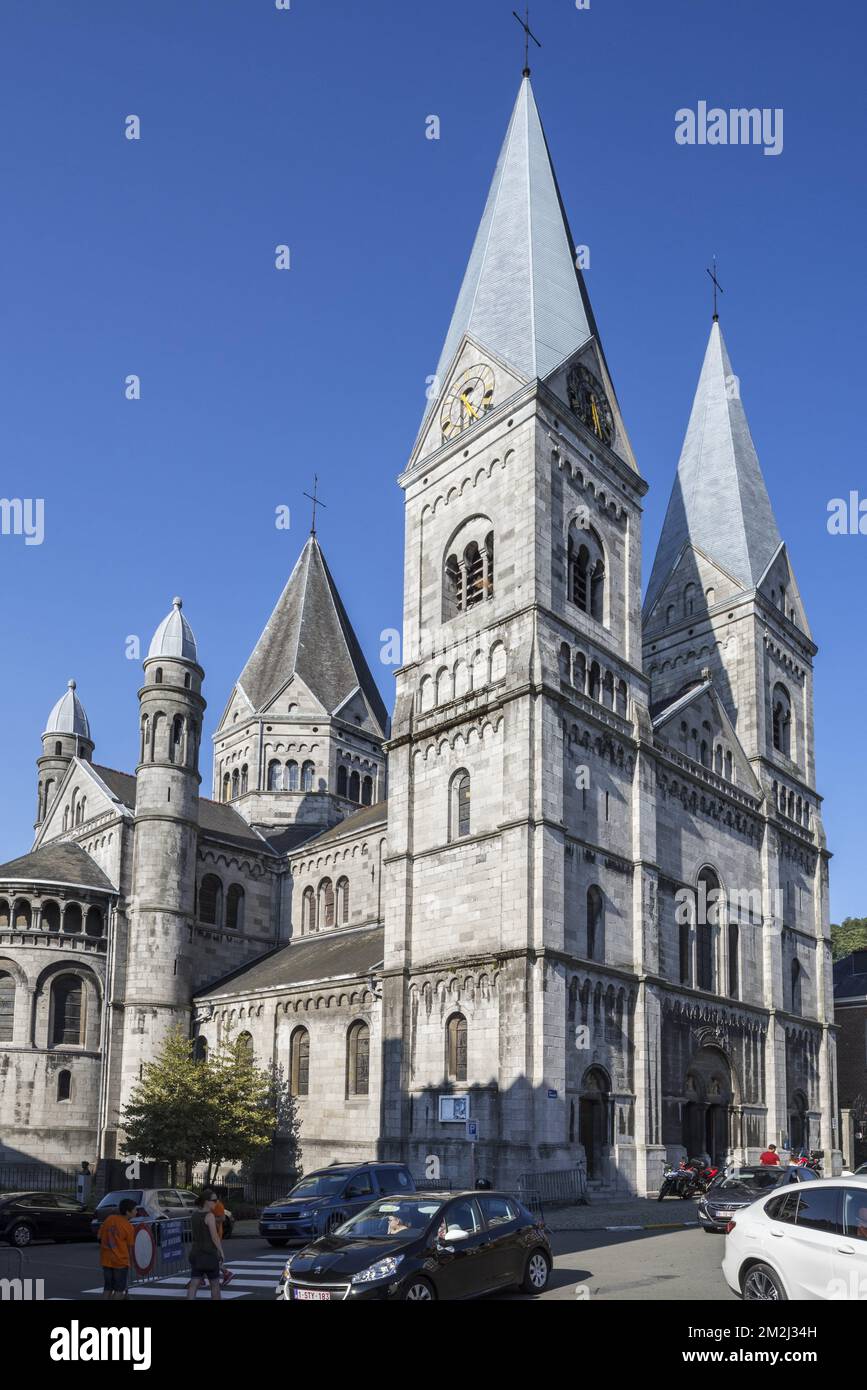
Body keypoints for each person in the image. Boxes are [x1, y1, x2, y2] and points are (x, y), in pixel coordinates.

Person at [187, 1194, 224, 1300]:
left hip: (196, 1254)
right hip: (209, 1256)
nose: (216, 1202)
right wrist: (221, 1251)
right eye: (214, 1200)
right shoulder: (209, 1216)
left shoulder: (194, 1215)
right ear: (206, 1201)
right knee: (215, 1285)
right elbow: (214, 1237)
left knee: (194, 1284)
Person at [99, 1197, 136, 1300]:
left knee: (107, 1289)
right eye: (134, 1210)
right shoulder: (129, 1227)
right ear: (128, 1212)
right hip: (120, 1261)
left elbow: (100, 1236)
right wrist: (130, 1261)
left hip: (106, 1259)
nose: (136, 1212)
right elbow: (130, 1247)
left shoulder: (109, 1219)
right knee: (119, 1291)